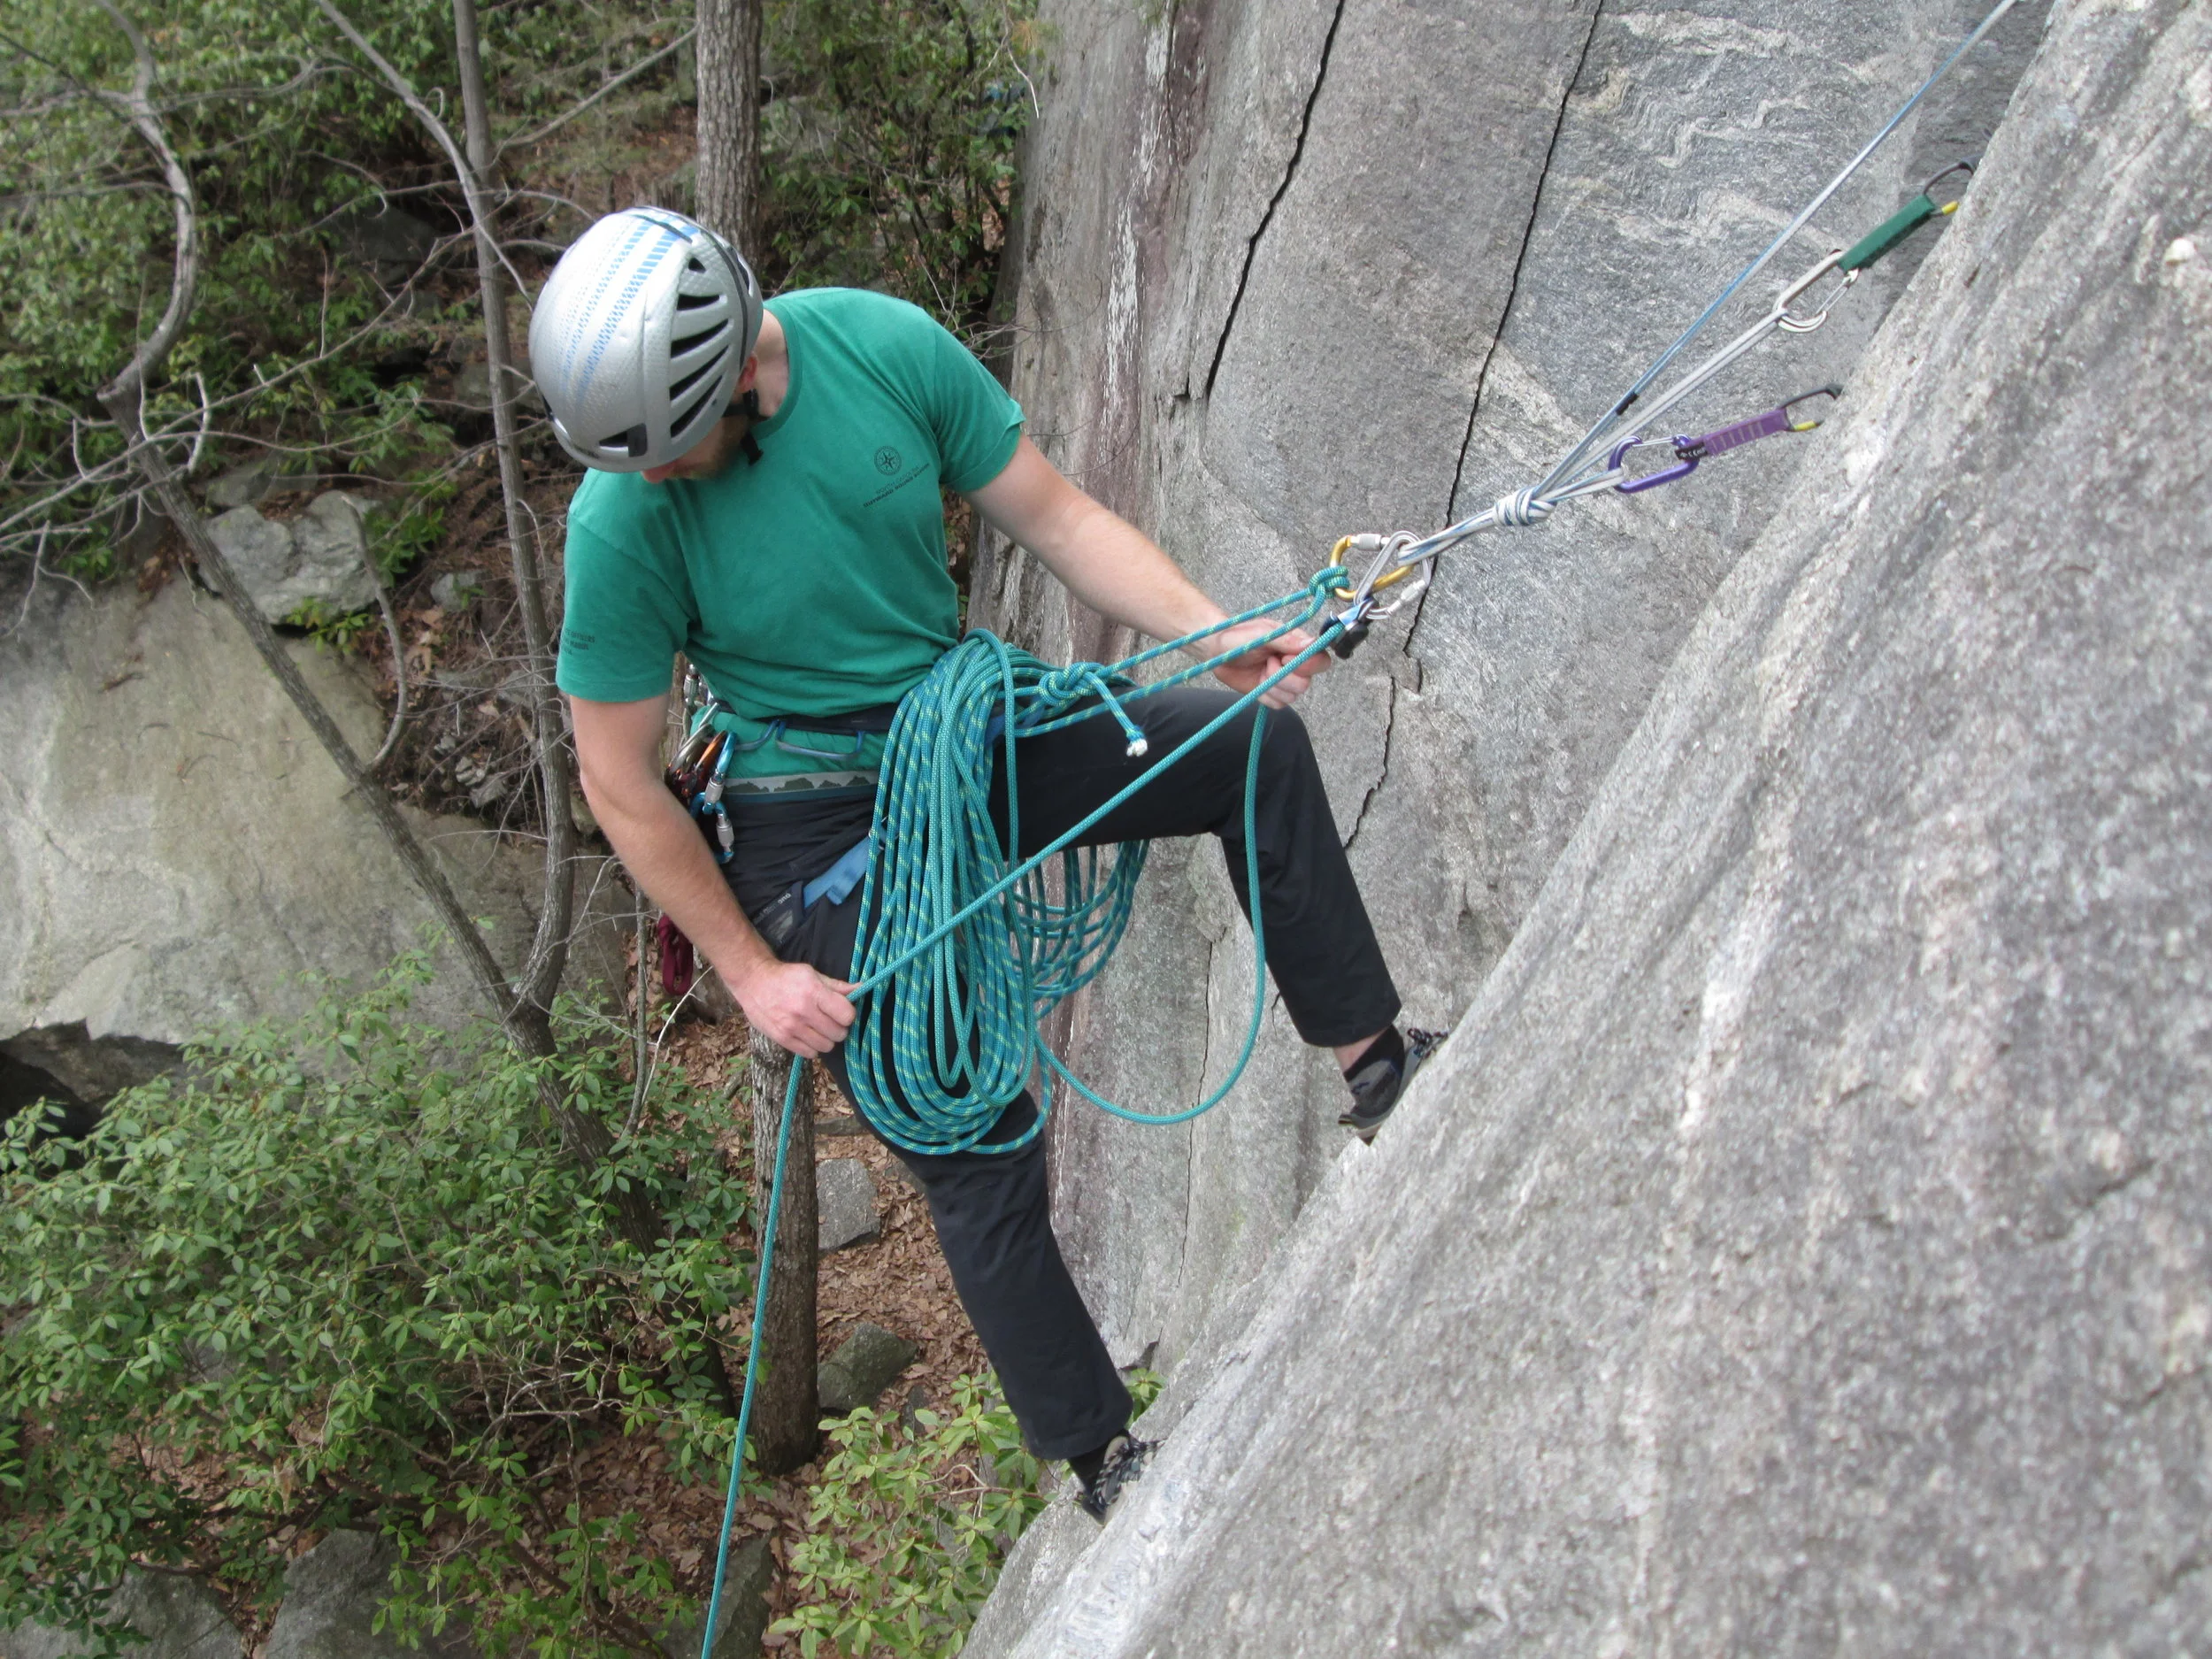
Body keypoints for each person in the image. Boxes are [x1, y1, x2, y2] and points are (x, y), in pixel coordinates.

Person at [534, 207, 1440, 1519]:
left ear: (732, 369)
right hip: (813, 822)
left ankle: (1378, 1062)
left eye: (673, 451)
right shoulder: (623, 523)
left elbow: (1059, 518)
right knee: (962, 1114)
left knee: (1251, 744)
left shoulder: (881, 347)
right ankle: (1101, 1455)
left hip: (965, 729)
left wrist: (1212, 631)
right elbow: (618, 783)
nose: (658, 478)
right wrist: (749, 972)